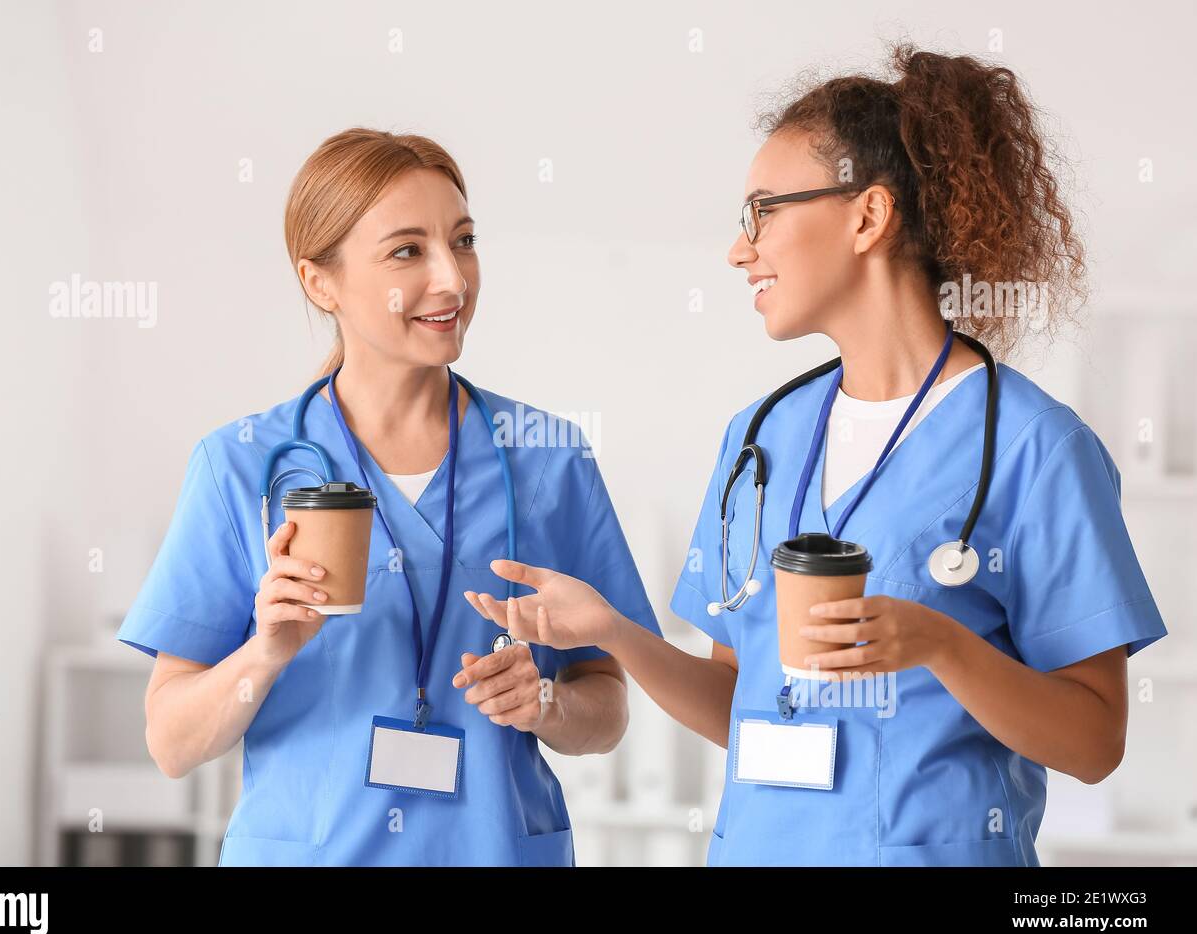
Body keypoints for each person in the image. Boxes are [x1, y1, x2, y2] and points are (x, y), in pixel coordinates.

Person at [465, 46, 1168, 866]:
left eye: (764, 210)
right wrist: (616, 633)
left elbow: (1093, 742)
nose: (740, 249)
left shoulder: (1033, 446)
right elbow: (740, 702)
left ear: (868, 217)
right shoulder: (760, 438)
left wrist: (941, 644)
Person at [115, 128, 658, 866]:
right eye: (408, 251)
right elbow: (172, 745)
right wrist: (264, 652)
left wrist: (547, 705)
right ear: (320, 281)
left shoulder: (545, 456)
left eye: (463, 242)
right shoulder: (241, 466)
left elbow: (608, 704)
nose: (453, 280)